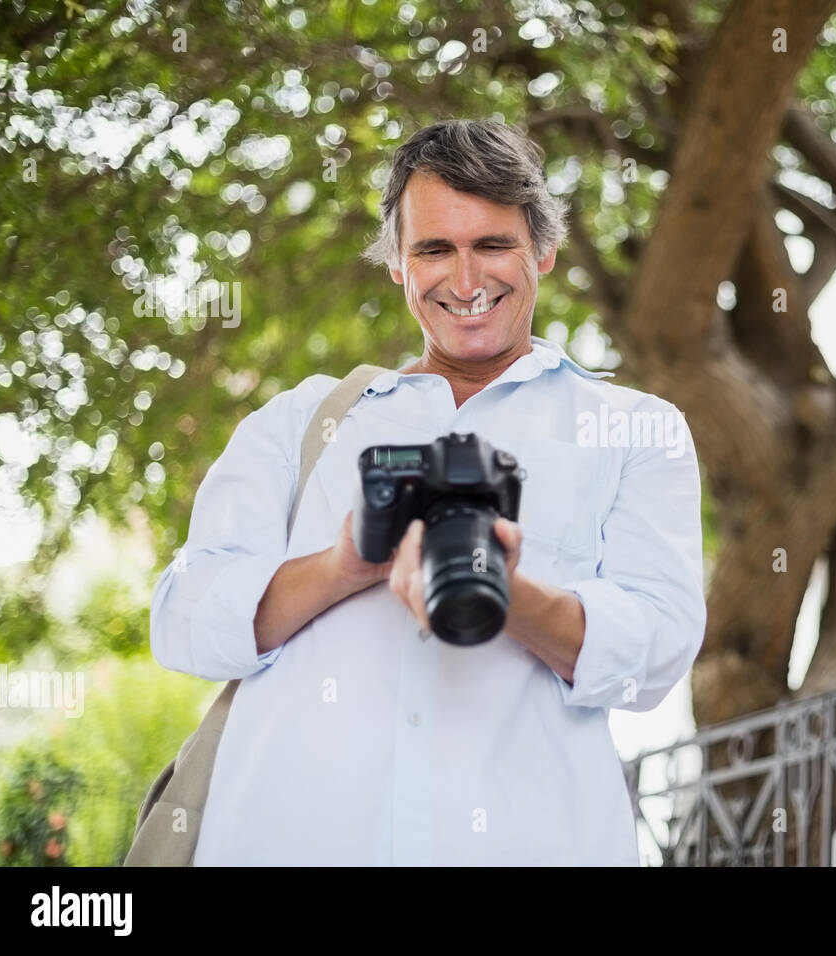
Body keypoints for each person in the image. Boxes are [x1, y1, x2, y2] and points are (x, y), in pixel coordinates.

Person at [149, 118, 706, 865]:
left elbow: (660, 650)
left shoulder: (637, 428)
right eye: (435, 249)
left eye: (493, 246)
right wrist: (343, 566)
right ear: (398, 267)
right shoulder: (298, 423)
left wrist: (508, 592)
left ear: (541, 250)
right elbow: (182, 619)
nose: (466, 281)